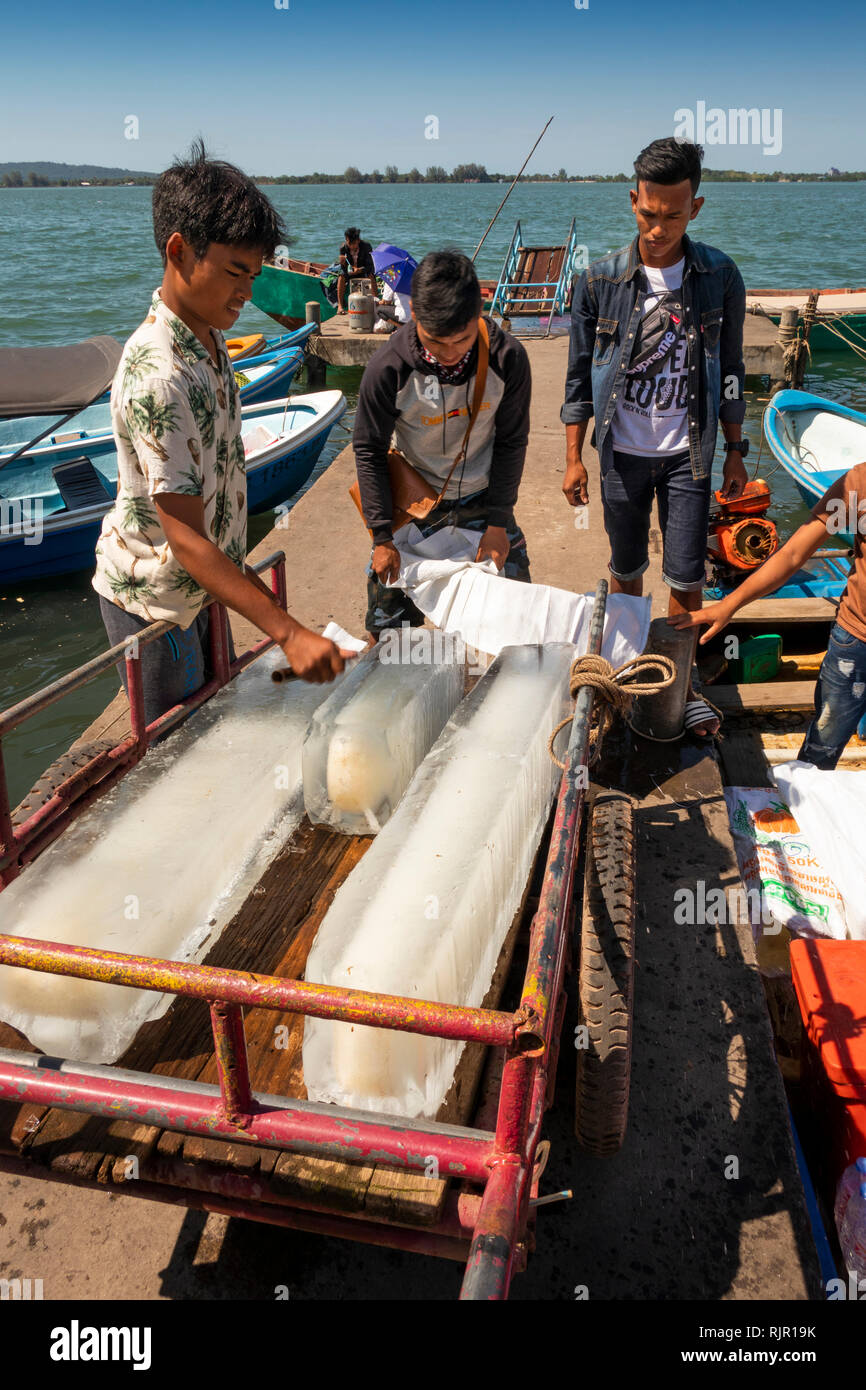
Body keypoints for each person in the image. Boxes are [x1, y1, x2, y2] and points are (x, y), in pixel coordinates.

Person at [92, 140, 350, 725]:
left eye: (255, 275)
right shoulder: (158, 373)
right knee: (171, 751)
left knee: (215, 721)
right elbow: (184, 538)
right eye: (236, 271)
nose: (247, 292)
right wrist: (288, 632)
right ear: (179, 251)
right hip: (155, 603)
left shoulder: (207, 337)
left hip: (204, 589)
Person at [561, 136, 748, 736]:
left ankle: (681, 684)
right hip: (620, 455)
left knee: (688, 579)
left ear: (695, 207)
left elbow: (733, 371)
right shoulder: (598, 281)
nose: (660, 227)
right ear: (632, 201)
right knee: (626, 568)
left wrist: (737, 451)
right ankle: (627, 673)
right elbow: (577, 379)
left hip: (688, 457)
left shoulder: (720, 276)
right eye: (648, 213)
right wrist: (573, 459)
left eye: (674, 214)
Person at [352, 249, 532, 643]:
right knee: (388, 632)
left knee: (519, 617)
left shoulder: (509, 359)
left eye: (463, 341)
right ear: (413, 312)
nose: (449, 355)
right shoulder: (387, 369)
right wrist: (380, 536)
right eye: (436, 342)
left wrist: (499, 523)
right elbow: (368, 450)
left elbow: (512, 441)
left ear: (480, 311)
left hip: (485, 498)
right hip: (417, 503)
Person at [671, 463, 866, 768]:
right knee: (825, 739)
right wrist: (728, 605)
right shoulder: (859, 483)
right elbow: (792, 554)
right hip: (855, 635)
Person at [337, 227, 377, 313]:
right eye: (349, 243)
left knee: (371, 275)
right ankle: (340, 305)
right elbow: (343, 269)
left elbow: (370, 266)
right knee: (341, 277)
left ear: (358, 240)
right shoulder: (343, 248)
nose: (351, 246)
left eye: (353, 243)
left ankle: (376, 302)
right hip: (350, 272)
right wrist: (343, 263)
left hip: (363, 272)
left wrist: (359, 270)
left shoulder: (366, 247)